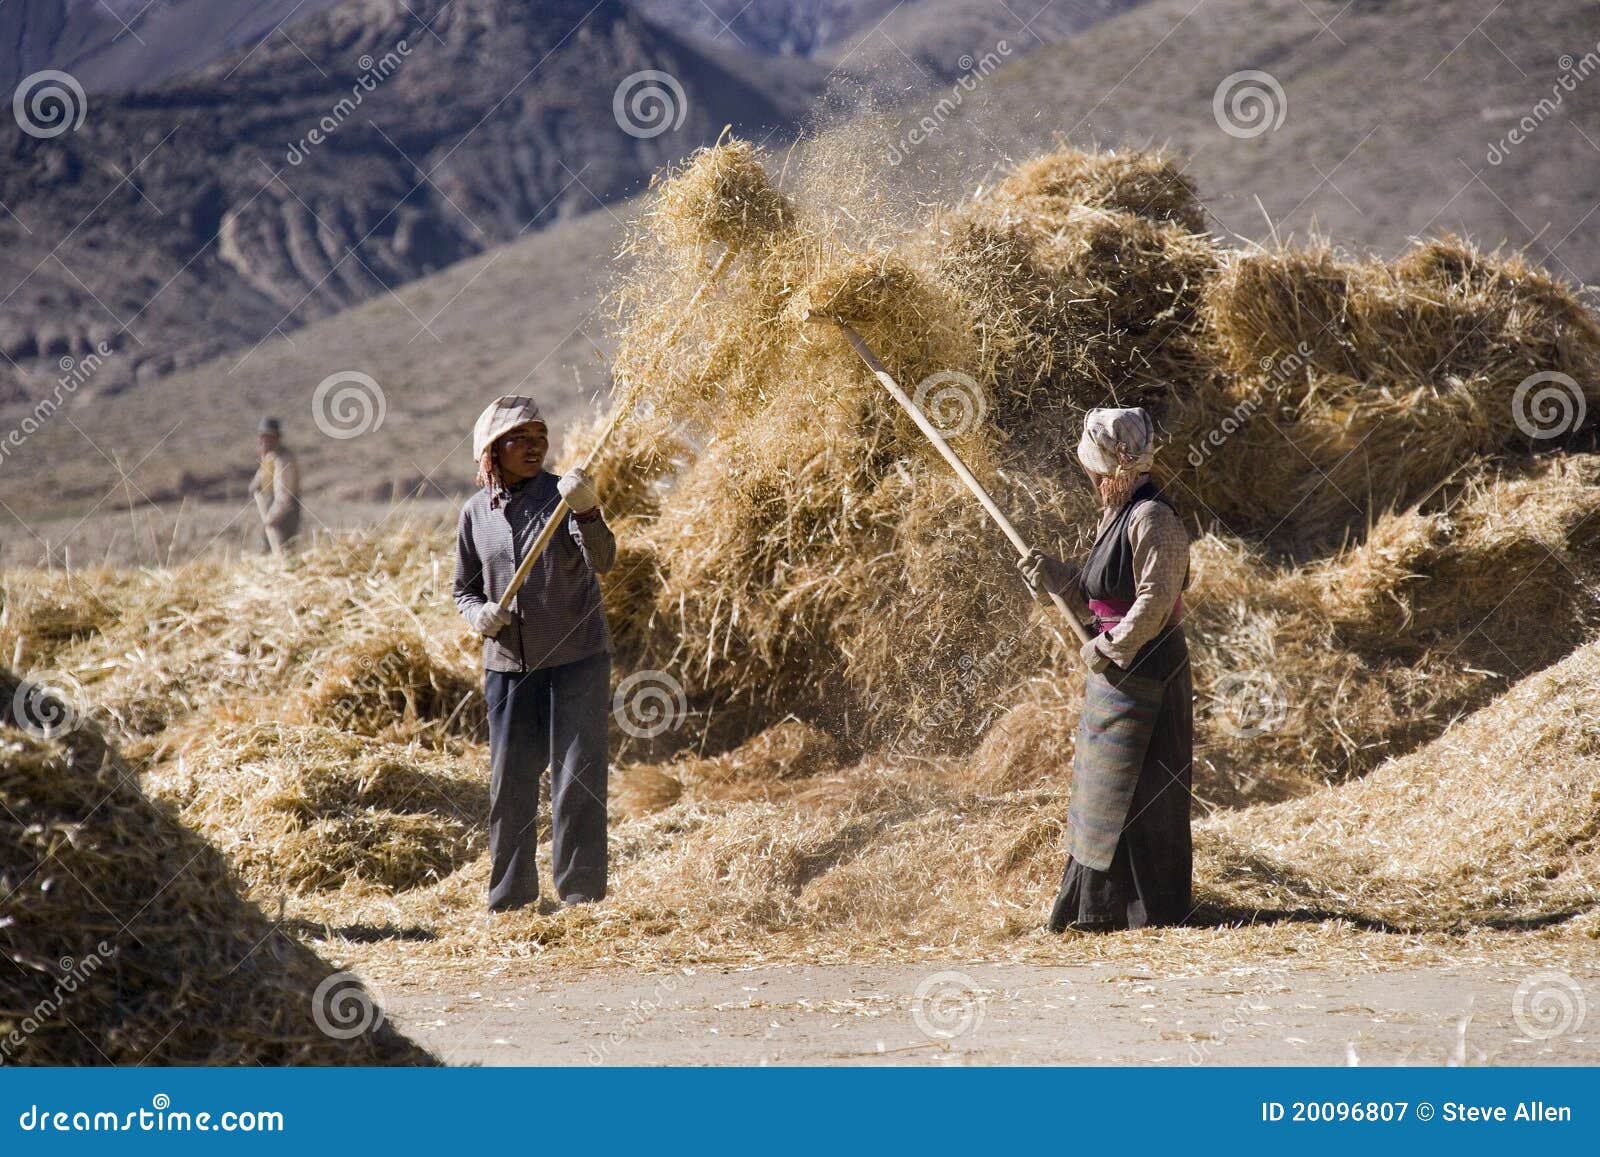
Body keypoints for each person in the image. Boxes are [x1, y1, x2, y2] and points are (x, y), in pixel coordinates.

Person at [1019, 406, 1194, 932]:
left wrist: (1109, 646)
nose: (1092, 480)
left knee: (1145, 794)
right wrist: (1055, 579)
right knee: (1102, 792)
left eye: (1097, 471)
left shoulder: (1153, 519)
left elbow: (1155, 602)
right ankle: (1097, 911)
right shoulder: (1115, 513)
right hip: (1118, 668)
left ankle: (1150, 914)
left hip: (1149, 671)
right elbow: (1100, 593)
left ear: (1119, 469)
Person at [452, 395, 616, 912]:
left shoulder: (563, 496)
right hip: (508, 666)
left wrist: (588, 510)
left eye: (539, 437)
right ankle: (511, 899)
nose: (534, 447)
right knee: (511, 783)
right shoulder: (475, 514)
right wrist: (479, 615)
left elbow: (605, 560)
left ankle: (580, 895)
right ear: (491, 452)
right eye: (519, 439)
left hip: (577, 659)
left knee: (577, 780)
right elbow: (464, 589)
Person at [248, 417, 301, 556]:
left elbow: (283, 494)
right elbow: (263, 473)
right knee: (266, 549)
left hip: (285, 514)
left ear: (277, 439)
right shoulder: (270, 457)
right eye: (264, 437)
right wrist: (255, 484)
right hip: (271, 506)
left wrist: (272, 517)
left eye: (270, 437)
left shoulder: (283, 460)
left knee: (283, 551)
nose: (265, 441)